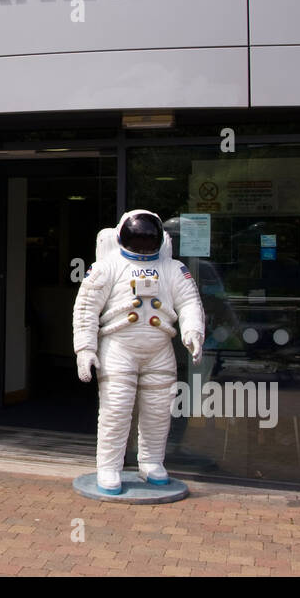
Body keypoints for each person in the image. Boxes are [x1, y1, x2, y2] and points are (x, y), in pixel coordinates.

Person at [72, 209, 205, 494]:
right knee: (116, 410)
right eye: (138, 235)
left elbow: (190, 303)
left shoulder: (172, 269)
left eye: (149, 236)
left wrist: (193, 331)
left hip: (159, 349)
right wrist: (85, 348)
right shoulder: (107, 266)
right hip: (119, 347)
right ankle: (109, 467)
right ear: (121, 235)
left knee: (158, 412)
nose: (144, 240)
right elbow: (86, 309)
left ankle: (152, 462)